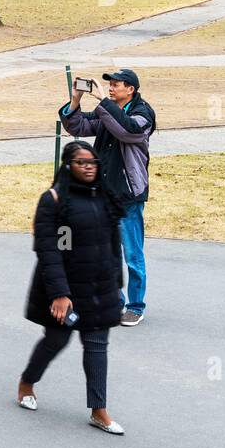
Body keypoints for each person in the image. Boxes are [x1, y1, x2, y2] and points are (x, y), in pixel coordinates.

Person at [17, 141, 126, 435]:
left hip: (99, 287)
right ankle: (27, 382)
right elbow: (50, 251)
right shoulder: (54, 200)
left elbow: (112, 245)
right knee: (56, 340)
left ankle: (98, 410)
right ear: (68, 166)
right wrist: (60, 294)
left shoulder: (104, 197)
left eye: (92, 162)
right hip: (65, 290)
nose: (89, 167)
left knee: (97, 347)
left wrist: (118, 285)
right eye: (81, 162)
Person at [59, 68, 155, 326]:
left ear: (131, 89)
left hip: (128, 196)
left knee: (132, 254)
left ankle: (135, 306)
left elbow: (128, 131)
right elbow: (77, 125)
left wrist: (102, 102)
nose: (111, 88)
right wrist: (76, 100)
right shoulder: (108, 111)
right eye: (109, 85)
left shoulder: (143, 113)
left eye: (116, 84)